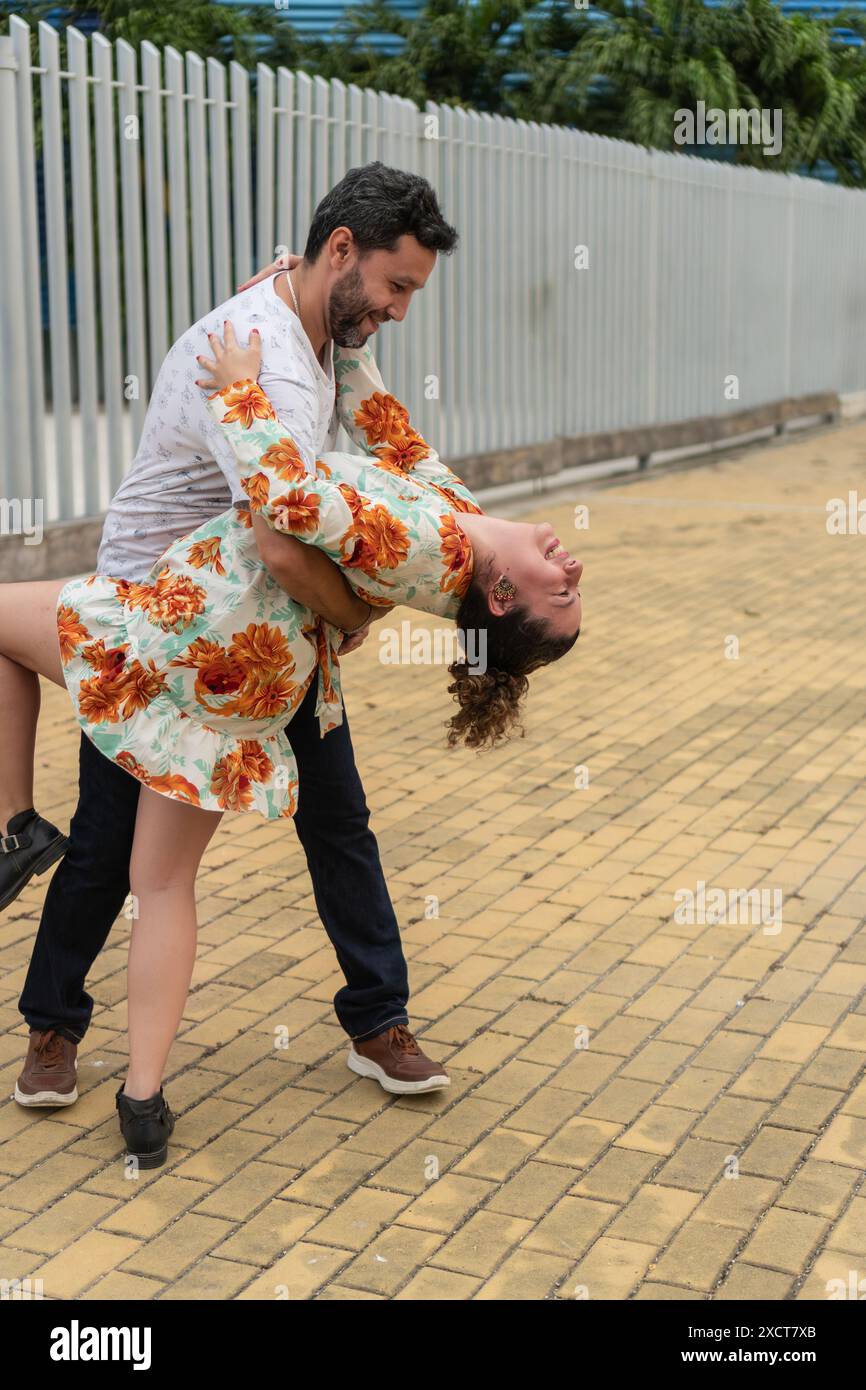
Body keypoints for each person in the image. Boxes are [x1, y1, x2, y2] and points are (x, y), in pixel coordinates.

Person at [0, 313, 582, 1168]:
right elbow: (391, 430)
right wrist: (346, 344)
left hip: (189, 631)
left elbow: (289, 509)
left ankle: (16, 827)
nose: (575, 568)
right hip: (256, 678)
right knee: (159, 884)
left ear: (500, 598)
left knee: (143, 839)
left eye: (561, 595)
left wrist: (239, 384)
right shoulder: (461, 523)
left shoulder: (424, 540)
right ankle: (141, 1096)